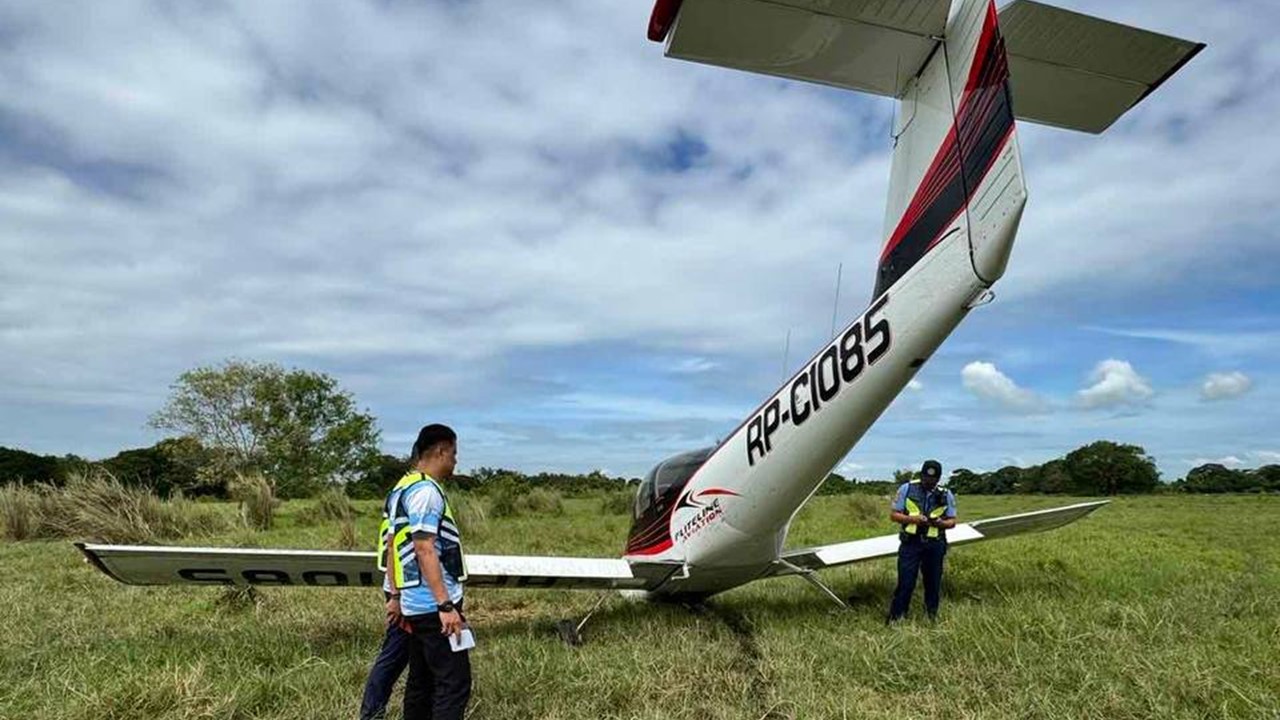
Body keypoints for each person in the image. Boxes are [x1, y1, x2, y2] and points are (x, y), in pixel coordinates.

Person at [380, 423, 471, 720]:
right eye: (454, 453)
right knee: (454, 683)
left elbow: (392, 546)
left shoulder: (402, 489)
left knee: (421, 681)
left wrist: (395, 595)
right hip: (434, 608)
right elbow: (424, 549)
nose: (455, 460)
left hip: (415, 605)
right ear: (441, 450)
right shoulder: (426, 493)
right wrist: (446, 605)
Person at [886, 459, 956, 622]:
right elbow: (894, 515)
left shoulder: (946, 494)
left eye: (933, 480)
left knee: (933, 583)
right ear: (921, 475)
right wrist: (914, 519)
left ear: (938, 479)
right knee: (906, 581)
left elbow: (952, 521)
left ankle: (931, 617)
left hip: (935, 544)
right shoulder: (907, 489)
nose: (928, 483)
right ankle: (897, 617)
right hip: (911, 543)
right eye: (925, 479)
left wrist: (940, 523)